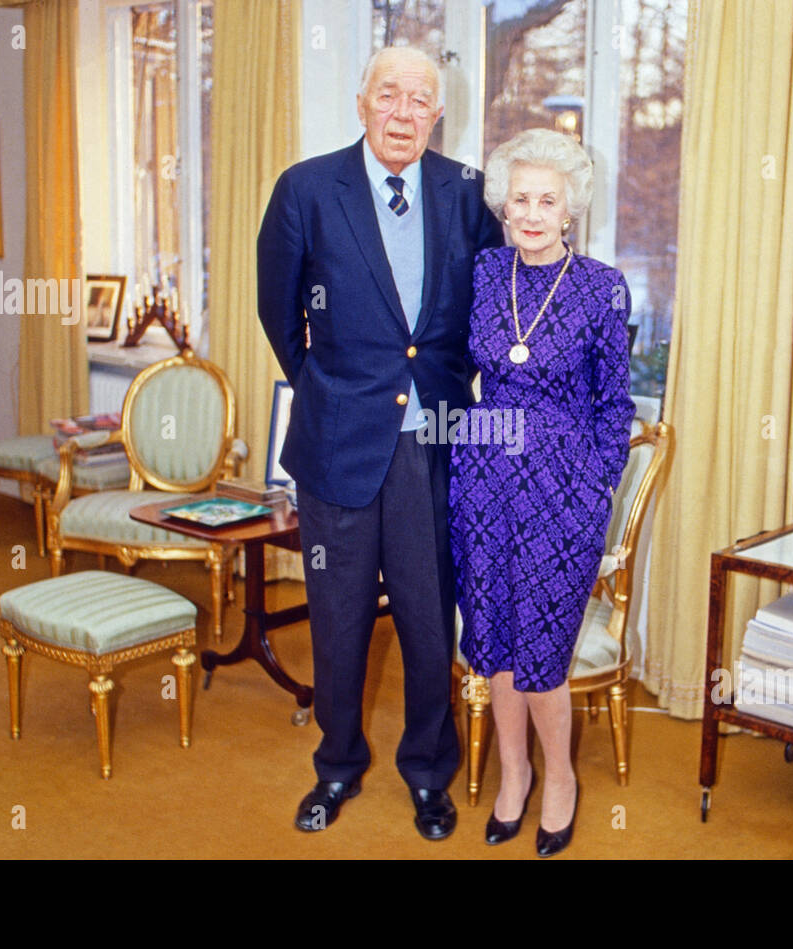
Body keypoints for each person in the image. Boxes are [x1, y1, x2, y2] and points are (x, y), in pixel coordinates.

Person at [256, 46, 503, 840]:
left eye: (420, 99)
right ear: (362, 104)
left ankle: (431, 773)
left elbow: (491, 307)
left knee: (432, 622)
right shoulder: (305, 189)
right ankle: (337, 765)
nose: (404, 112)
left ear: (439, 113)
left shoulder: (466, 192)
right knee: (339, 617)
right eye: (388, 95)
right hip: (337, 447)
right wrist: (330, 390)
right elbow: (277, 311)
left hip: (432, 442)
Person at [449, 128, 635, 857]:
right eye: (519, 198)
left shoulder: (600, 285)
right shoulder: (487, 273)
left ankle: (560, 777)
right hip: (485, 475)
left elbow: (615, 404)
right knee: (493, 634)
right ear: (503, 207)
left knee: (542, 645)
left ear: (569, 211)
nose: (531, 212)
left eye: (546, 200)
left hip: (564, 487)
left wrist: (599, 483)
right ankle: (514, 772)